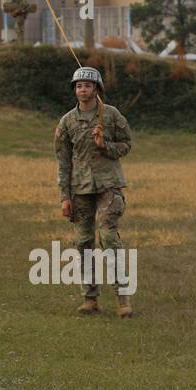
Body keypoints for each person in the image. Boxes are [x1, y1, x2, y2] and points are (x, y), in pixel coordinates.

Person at [55, 65, 134, 317]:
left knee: (109, 238)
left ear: (96, 88)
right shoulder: (67, 121)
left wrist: (105, 145)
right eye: (78, 85)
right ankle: (90, 298)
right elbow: (63, 161)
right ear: (74, 90)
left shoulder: (110, 116)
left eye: (88, 85)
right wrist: (64, 197)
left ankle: (123, 299)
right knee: (83, 242)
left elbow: (126, 144)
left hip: (109, 185)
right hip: (80, 189)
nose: (83, 89)